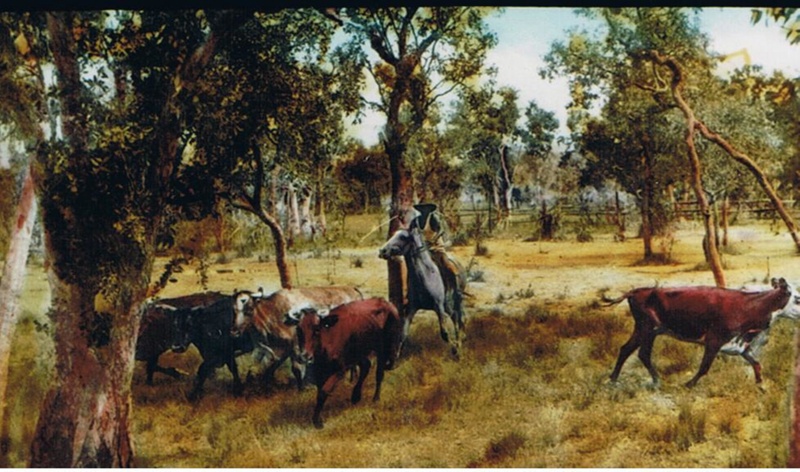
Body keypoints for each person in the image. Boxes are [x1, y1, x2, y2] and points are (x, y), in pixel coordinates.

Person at [409, 203, 462, 296]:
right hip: (422, 248)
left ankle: (456, 289)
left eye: (426, 209)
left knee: (446, 264)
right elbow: (411, 231)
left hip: (436, 246)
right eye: (422, 209)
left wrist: (433, 240)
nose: (424, 211)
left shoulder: (434, 219)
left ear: (429, 210)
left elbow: (441, 231)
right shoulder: (415, 221)